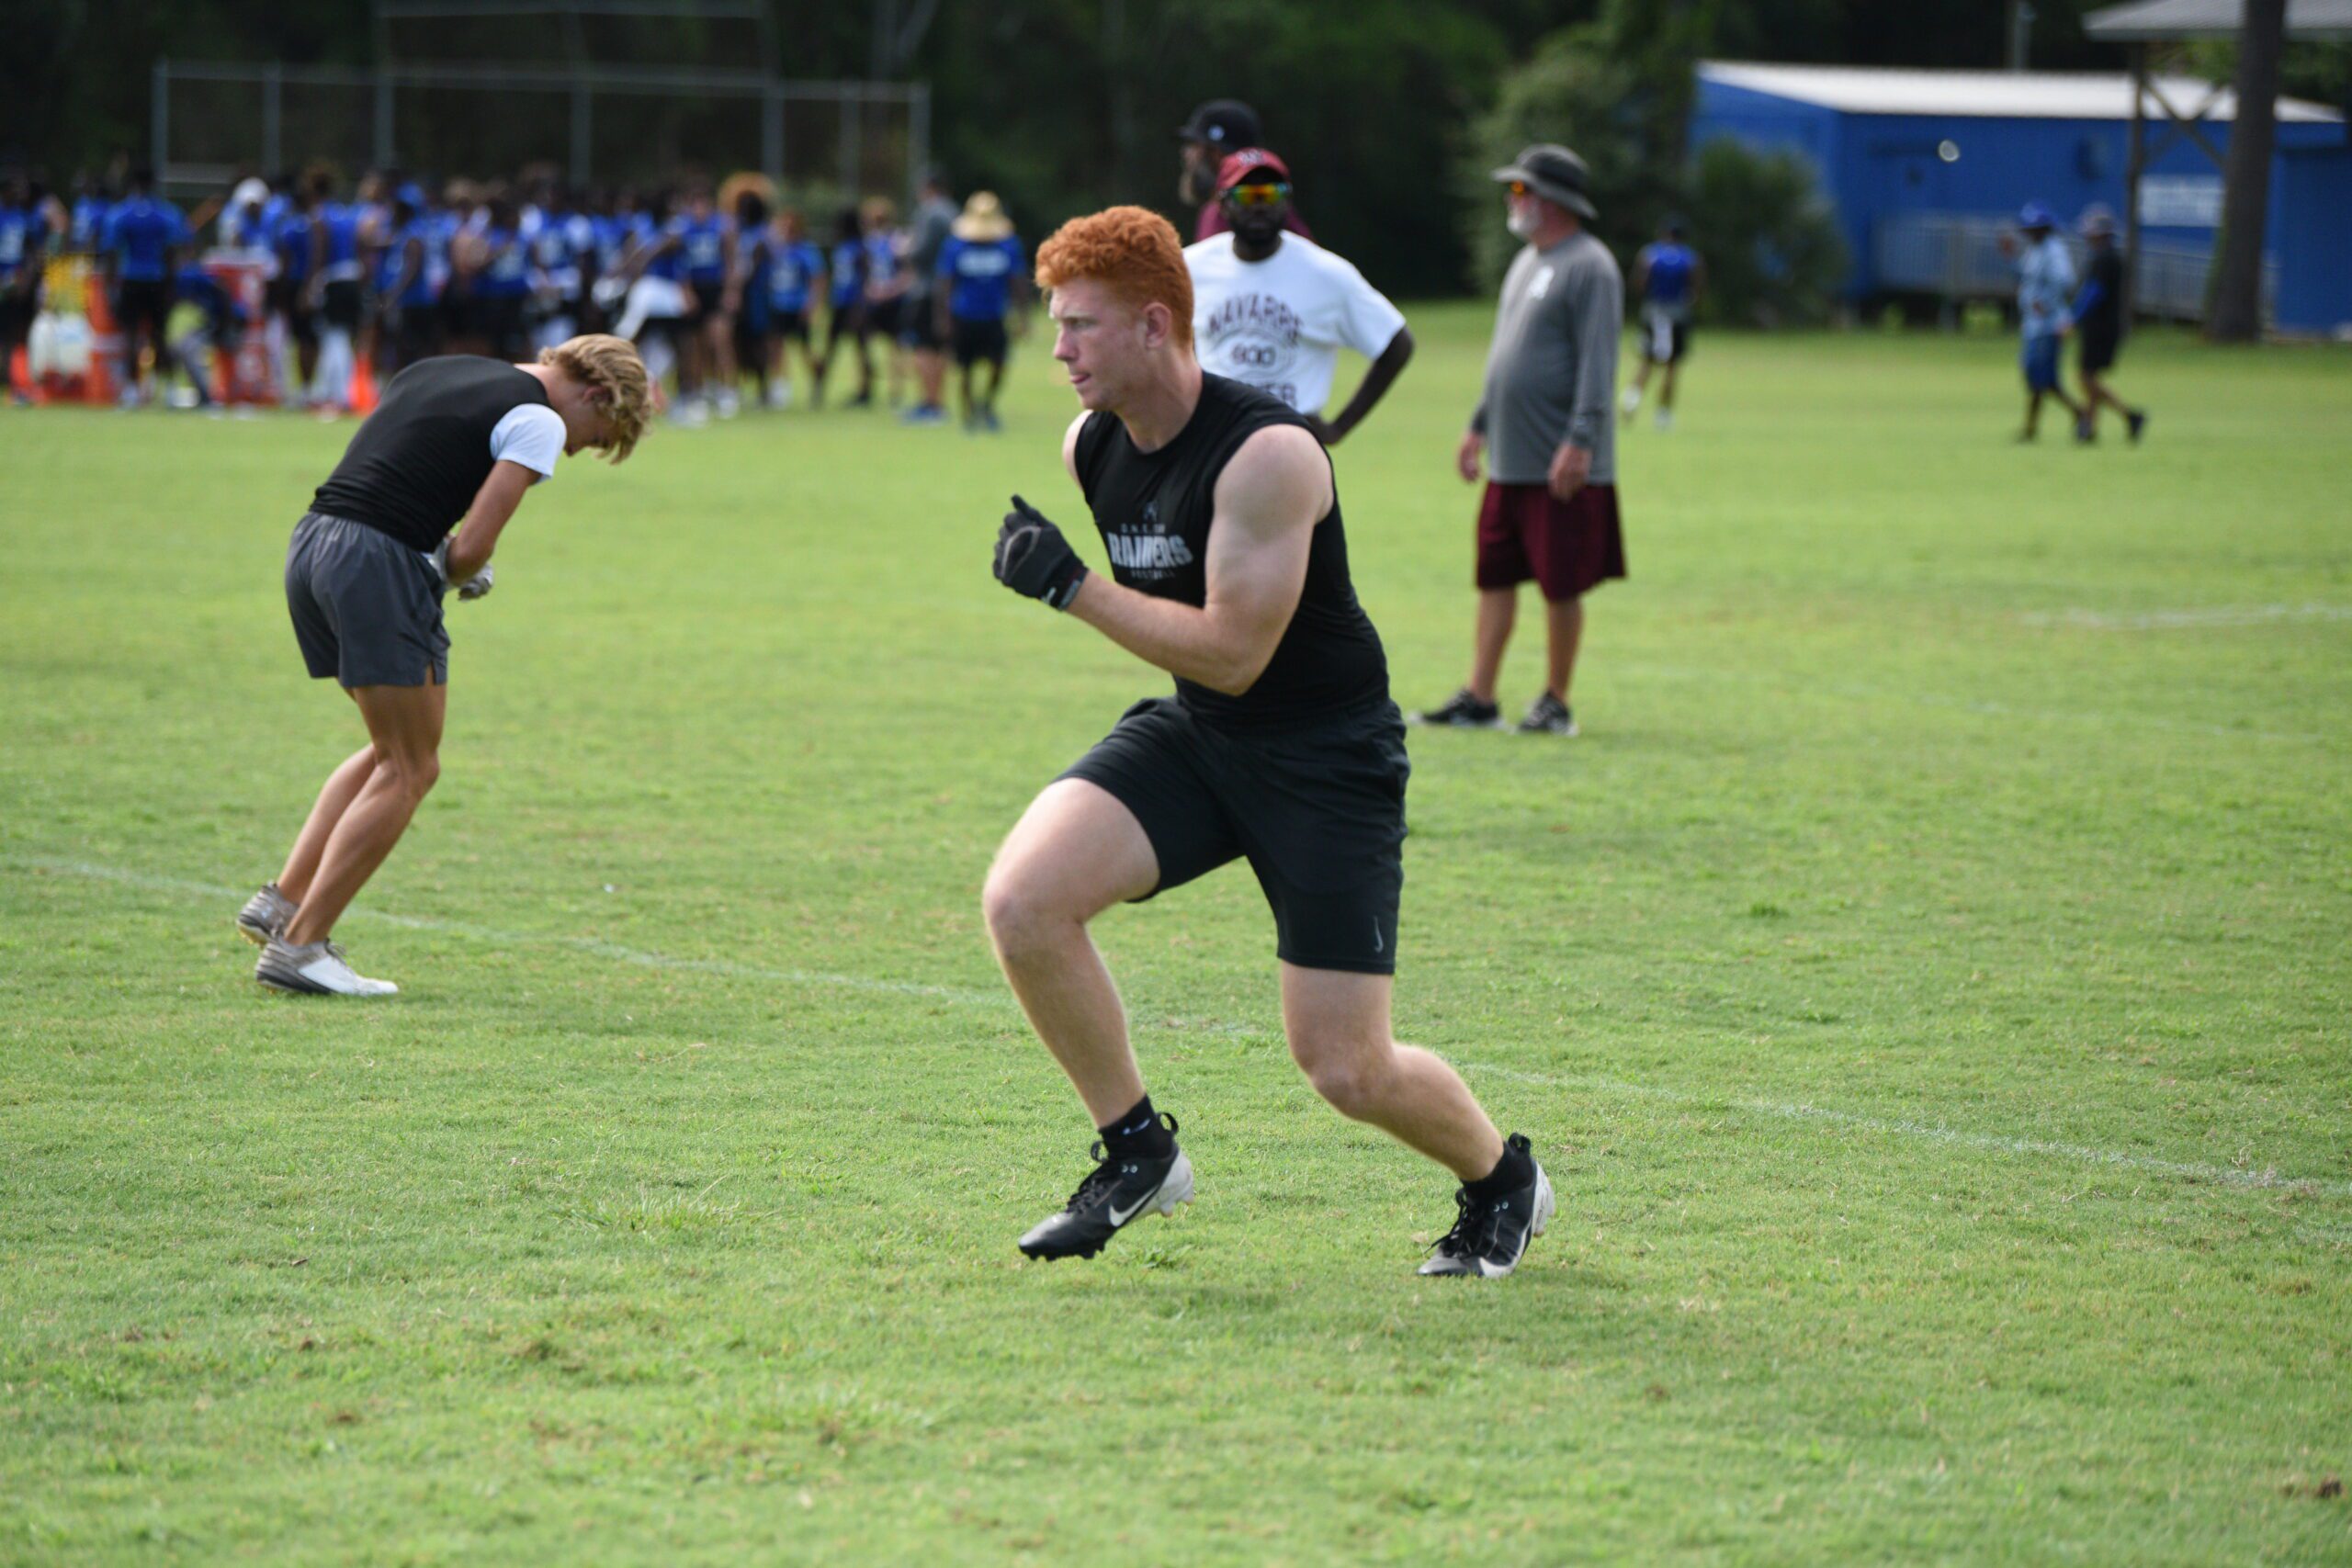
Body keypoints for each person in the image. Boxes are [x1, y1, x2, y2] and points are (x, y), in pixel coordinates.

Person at [982, 205, 1552, 1278]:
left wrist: (1070, 587)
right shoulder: (1090, 445)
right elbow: (1210, 676)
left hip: (1325, 759)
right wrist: (1081, 589)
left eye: (1080, 325)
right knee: (1023, 903)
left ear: (1155, 325)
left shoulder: (1270, 454)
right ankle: (1138, 1151)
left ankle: (1501, 1180)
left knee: (1345, 1067)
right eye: (1056, 324)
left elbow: (1236, 653)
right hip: (1202, 734)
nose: (1058, 350)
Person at [241, 335, 651, 996]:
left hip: (314, 546)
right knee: (412, 766)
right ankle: (301, 946)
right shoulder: (540, 420)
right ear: (597, 394)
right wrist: (462, 567)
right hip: (374, 562)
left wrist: (440, 551)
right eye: (596, 436)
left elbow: (400, 470)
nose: (577, 450)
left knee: (391, 751)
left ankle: (281, 903)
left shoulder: (439, 368)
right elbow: (471, 549)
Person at [1419, 144, 1625, 739]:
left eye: (1519, 190)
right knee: (1495, 574)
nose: (1512, 200)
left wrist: (1580, 440)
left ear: (1551, 200)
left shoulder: (1591, 266)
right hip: (1509, 457)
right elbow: (1505, 356)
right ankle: (1480, 696)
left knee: (1561, 581)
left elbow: (1598, 362)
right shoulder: (1526, 262)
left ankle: (1556, 700)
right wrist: (1478, 424)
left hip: (1557, 458)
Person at [1182, 149, 1412, 445]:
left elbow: (1397, 343)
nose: (1260, 205)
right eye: (1247, 196)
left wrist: (1339, 428)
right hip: (1214, 440)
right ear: (1222, 204)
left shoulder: (1326, 274)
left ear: (1287, 201)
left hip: (1293, 444)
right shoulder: (1189, 267)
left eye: (1272, 194)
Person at [934, 190, 1025, 432]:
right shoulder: (956, 246)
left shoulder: (1008, 246)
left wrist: (1022, 317)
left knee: (999, 364)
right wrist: (944, 318)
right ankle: (969, 412)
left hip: (995, 315)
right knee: (965, 368)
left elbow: (1017, 281)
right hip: (965, 315)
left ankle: (987, 405)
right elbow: (945, 283)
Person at [101, 167, 188, 406]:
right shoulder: (166, 214)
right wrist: (171, 287)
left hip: (130, 279)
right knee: (160, 336)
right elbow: (172, 253)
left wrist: (110, 288)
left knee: (131, 337)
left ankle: (131, 390)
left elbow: (111, 253)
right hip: (157, 280)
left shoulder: (120, 213)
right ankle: (168, 389)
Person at [2065, 205, 2147, 446]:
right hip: (2103, 326)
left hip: (2100, 327)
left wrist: (2074, 318)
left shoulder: (2105, 259)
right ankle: (2089, 428)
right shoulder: (2109, 257)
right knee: (2090, 377)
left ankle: (2128, 415)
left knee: (2086, 378)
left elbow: (2095, 292)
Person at [1175, 100, 1311, 243]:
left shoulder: (1245, 214)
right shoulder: (1215, 209)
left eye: (1193, 145)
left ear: (1215, 154)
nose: (1186, 154)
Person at [2013, 202, 2086, 443]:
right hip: (2034, 325)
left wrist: (2046, 303)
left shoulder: (2054, 250)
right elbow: (2028, 280)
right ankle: (2032, 428)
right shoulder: (2034, 250)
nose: (2030, 233)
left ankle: (2079, 414)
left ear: (2044, 229)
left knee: (2042, 378)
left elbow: (2064, 281)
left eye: (2034, 229)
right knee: (2035, 376)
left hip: (2049, 325)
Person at [1621, 218, 1702, 431]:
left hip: (1654, 312)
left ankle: (1631, 400)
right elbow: (1696, 286)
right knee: (1672, 366)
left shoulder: (1650, 253)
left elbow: (1639, 282)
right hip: (1678, 314)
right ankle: (1663, 415)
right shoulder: (1689, 257)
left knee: (1648, 360)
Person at [899, 170, 958, 425]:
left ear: (928, 188)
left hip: (926, 289)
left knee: (923, 346)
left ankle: (929, 403)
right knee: (940, 347)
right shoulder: (953, 211)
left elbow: (920, 251)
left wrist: (903, 250)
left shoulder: (930, 212)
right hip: (949, 289)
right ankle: (938, 403)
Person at [0, 172, 49, 403]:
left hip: (14, 283)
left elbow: (32, 253)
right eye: (16, 188)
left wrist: (27, 280)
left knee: (14, 333)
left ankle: (13, 381)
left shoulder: (24, 218)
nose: (21, 193)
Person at [817, 206, 870, 408]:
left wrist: (860, 307)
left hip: (854, 304)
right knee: (830, 347)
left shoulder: (860, 248)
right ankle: (819, 388)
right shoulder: (841, 248)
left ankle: (865, 390)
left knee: (861, 348)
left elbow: (864, 279)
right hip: (839, 303)